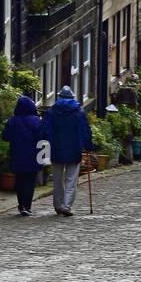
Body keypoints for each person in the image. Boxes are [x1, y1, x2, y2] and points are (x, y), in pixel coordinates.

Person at [43, 85, 92, 217]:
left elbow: (45, 131)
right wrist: (88, 145)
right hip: (74, 149)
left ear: (59, 97)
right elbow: (85, 131)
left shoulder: (51, 112)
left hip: (56, 149)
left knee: (57, 179)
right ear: (72, 97)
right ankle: (66, 205)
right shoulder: (79, 112)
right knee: (71, 179)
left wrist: (46, 143)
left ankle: (58, 205)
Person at [2, 94, 45, 216]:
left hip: (17, 154)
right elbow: (42, 137)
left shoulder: (12, 121)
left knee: (19, 180)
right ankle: (27, 205)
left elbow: (5, 136)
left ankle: (21, 205)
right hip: (33, 155)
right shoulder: (37, 121)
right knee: (30, 181)